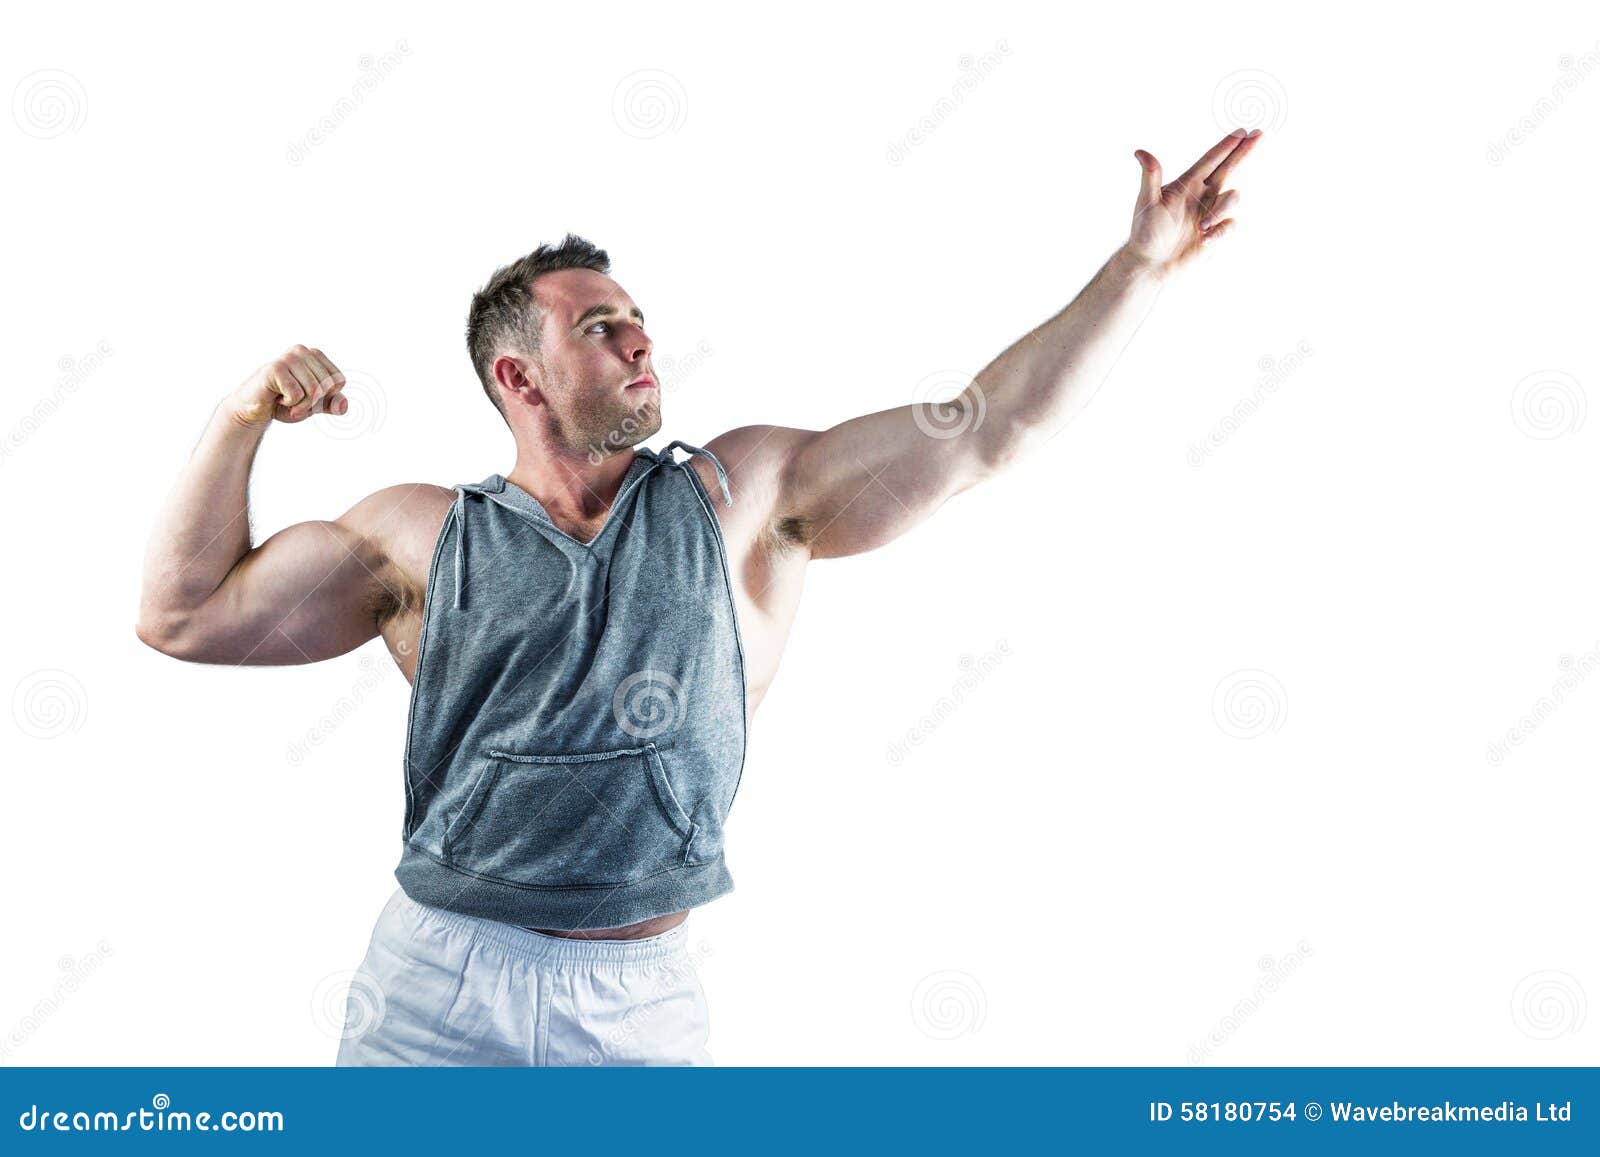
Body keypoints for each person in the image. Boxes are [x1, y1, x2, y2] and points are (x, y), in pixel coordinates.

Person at [135, 127, 1262, 1065]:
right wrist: (242, 416)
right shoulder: (418, 532)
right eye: (598, 328)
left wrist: (1139, 269)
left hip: (637, 1001)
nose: (640, 339)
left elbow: (985, 432)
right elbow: (181, 616)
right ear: (518, 377)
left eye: (636, 318)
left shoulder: (746, 497)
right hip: (436, 988)